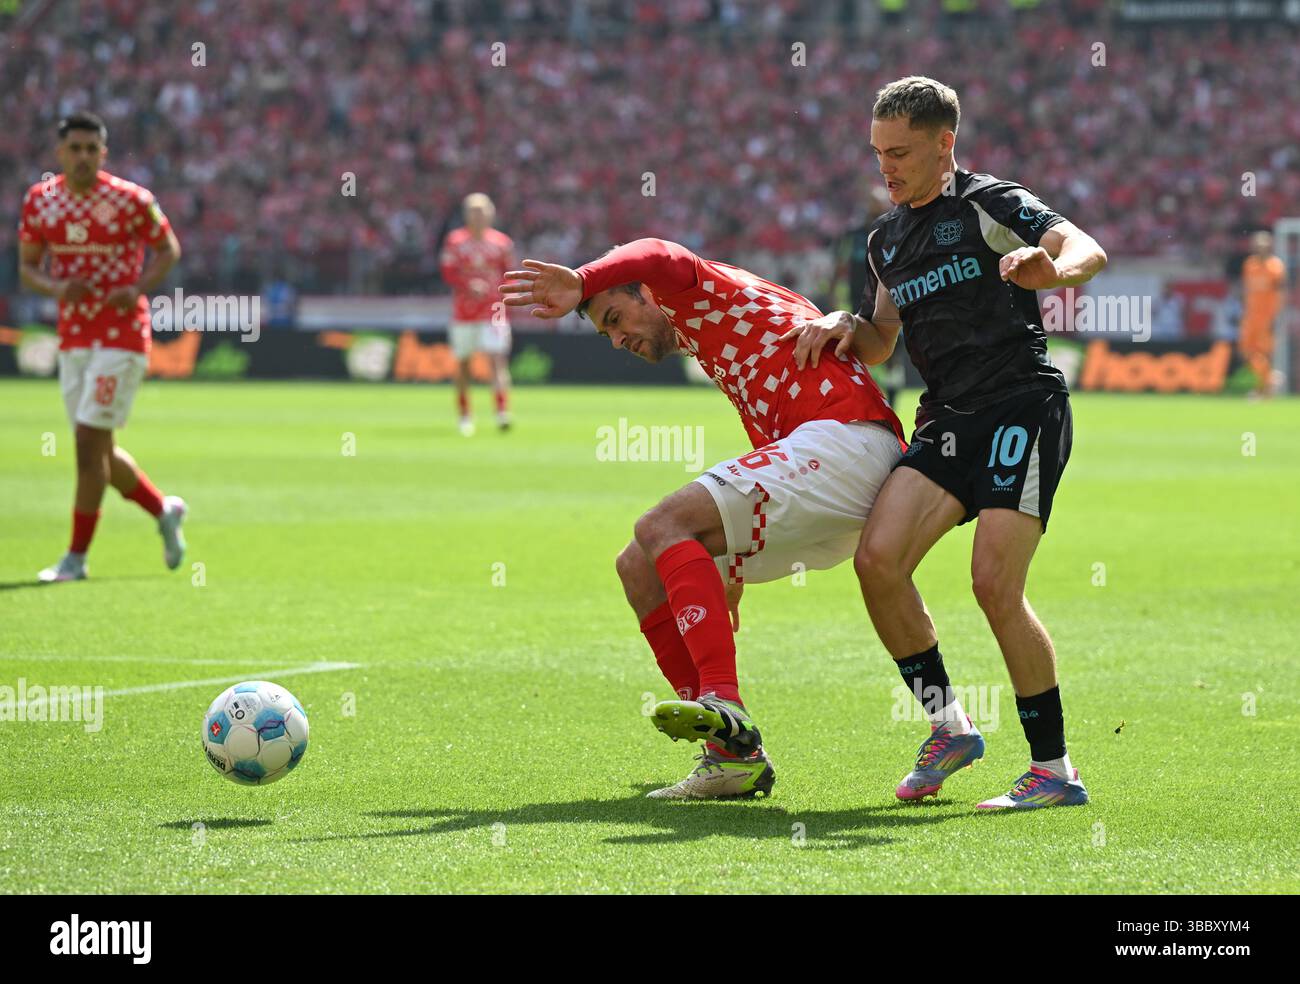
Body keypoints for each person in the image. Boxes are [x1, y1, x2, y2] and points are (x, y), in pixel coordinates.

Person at [784, 77, 1108, 809]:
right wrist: (841, 324)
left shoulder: (988, 204)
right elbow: (879, 340)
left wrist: (1053, 268)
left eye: (899, 153)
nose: (887, 168)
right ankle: (950, 728)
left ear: (944, 145)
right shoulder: (886, 239)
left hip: (1021, 406)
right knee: (878, 561)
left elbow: (1086, 246)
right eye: (877, 154)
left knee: (994, 584)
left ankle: (1054, 772)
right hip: (948, 420)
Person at [501, 238, 905, 798]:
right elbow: (772, 440)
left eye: (617, 318)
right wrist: (727, 564)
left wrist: (582, 278)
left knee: (660, 525)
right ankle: (731, 753)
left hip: (848, 444)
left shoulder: (696, 294)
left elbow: (660, 251)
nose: (617, 339)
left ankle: (722, 701)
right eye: (606, 333)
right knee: (638, 565)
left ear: (648, 293)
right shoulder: (719, 335)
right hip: (831, 461)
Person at [18, 111, 187, 583]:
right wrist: (56, 289)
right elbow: (27, 268)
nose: (84, 157)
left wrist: (136, 288)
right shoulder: (40, 202)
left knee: (89, 445)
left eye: (92, 149)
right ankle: (163, 510)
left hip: (122, 337)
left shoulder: (131, 200)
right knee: (98, 453)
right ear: (60, 153)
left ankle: (75, 558)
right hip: (74, 338)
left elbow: (168, 249)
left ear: (104, 153)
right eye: (75, 148)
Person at [440, 193, 516, 435]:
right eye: (474, 210)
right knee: (463, 365)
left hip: (494, 309)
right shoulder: (455, 241)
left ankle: (502, 412)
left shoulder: (502, 243)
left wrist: (509, 300)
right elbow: (448, 272)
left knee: (497, 359)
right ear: (466, 214)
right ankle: (464, 415)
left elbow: (509, 274)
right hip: (464, 312)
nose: (479, 215)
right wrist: (467, 285)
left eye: (482, 210)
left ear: (491, 213)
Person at [1238, 230, 1286, 399]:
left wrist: (1276, 316)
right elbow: (1247, 291)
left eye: (1263, 245)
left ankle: (1264, 387)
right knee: (1246, 352)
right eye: (1257, 245)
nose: (1260, 248)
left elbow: (1281, 293)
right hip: (1250, 317)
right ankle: (1271, 380)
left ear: (1269, 246)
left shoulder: (1276, 267)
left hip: (1266, 318)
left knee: (1262, 353)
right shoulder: (1249, 265)